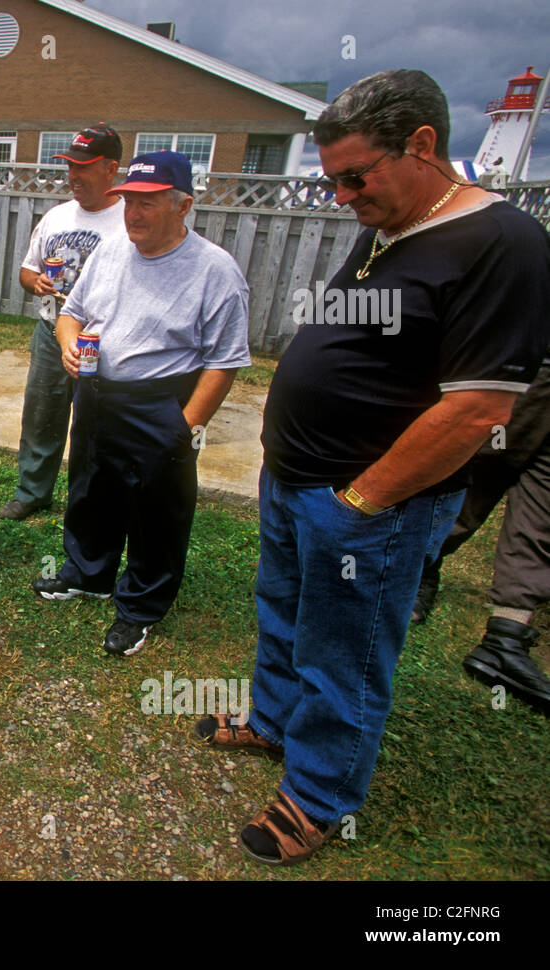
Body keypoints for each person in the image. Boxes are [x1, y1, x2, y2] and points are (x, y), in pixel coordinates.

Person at [195, 70, 550, 865]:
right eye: (333, 182)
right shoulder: (394, 220)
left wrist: (364, 496)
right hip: (295, 478)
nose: (345, 195)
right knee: (284, 610)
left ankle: (318, 795)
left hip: (372, 503)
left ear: (422, 144)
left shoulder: (504, 244)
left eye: (355, 176)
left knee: (345, 649)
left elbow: (479, 409)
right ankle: (274, 720)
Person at [32, 151, 250, 656]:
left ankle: (141, 606)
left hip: (160, 401)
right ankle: (89, 575)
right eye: (129, 200)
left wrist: (185, 426)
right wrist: (68, 340)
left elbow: (225, 361)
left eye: (148, 203)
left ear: (184, 206)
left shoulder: (216, 270)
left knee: (157, 507)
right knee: (91, 488)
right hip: (97, 394)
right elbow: (75, 311)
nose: (133, 212)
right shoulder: (110, 250)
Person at [0, 124, 127, 521]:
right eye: (70, 165)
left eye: (83, 166)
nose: (73, 175)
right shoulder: (56, 217)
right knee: (42, 414)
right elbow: (25, 271)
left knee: (98, 424)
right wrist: (34, 282)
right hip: (51, 333)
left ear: (111, 168)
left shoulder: (128, 221)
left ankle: (87, 500)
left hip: (104, 339)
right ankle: (33, 491)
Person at [412, 360, 550, 716]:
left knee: (543, 509)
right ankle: (419, 567)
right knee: (481, 472)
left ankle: (507, 635)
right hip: (532, 366)